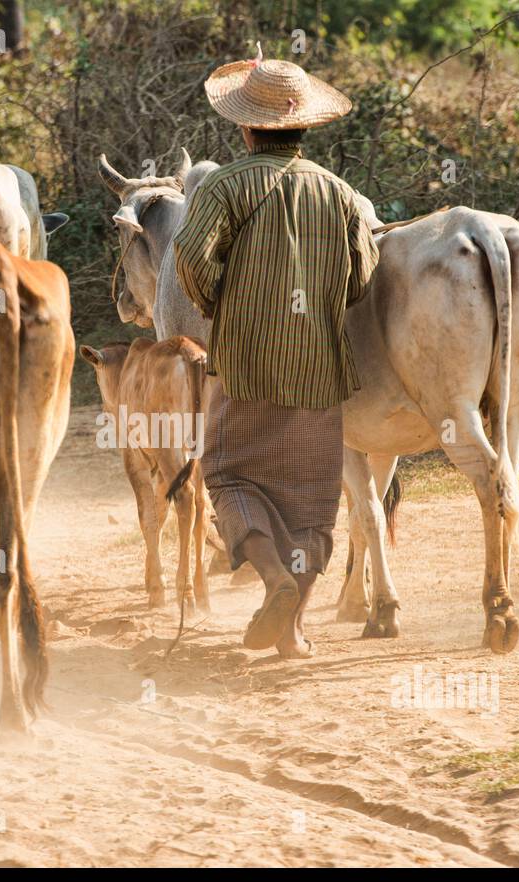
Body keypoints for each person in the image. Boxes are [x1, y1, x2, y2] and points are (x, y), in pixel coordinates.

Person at [174, 51, 378, 659]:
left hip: (244, 364)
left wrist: (221, 302)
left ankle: (274, 581)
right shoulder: (341, 195)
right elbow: (361, 275)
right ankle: (291, 631)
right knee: (312, 501)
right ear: (304, 127)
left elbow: (188, 253)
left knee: (231, 474)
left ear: (245, 126)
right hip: (318, 370)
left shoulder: (224, 186)